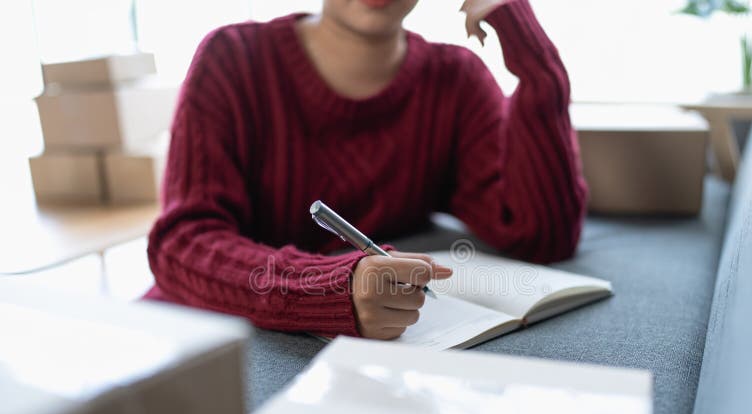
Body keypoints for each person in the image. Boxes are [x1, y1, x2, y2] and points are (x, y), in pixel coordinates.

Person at [146, 0, 588, 340]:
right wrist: (329, 290)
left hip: (364, 362)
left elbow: (542, 233)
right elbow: (181, 246)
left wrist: (536, 67)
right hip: (205, 344)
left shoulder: (454, 80)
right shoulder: (232, 59)